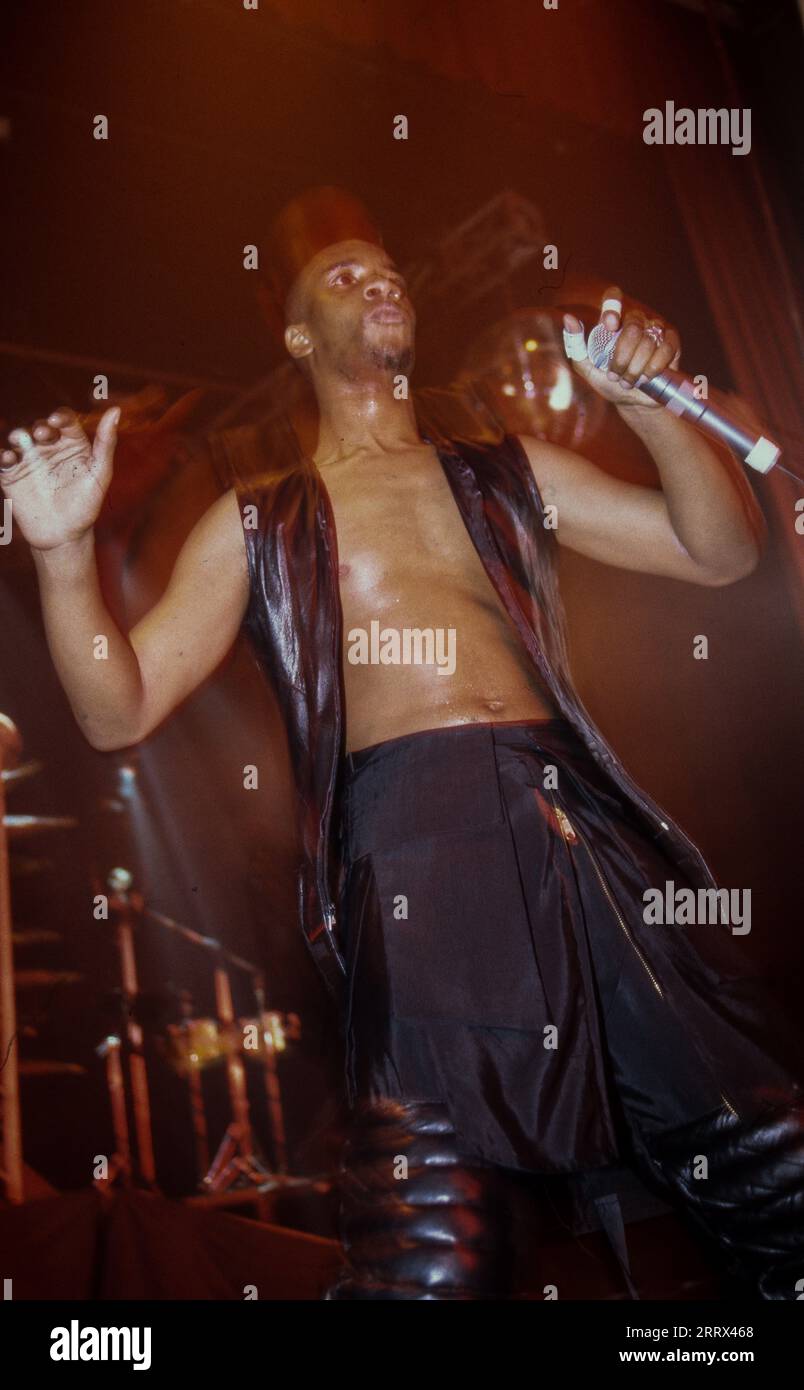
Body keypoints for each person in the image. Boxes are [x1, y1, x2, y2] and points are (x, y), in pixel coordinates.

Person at [2, 186, 802, 1301]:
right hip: (417, 844)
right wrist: (62, 554)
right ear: (294, 336)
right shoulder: (258, 517)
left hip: (577, 831)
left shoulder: (508, 471)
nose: (379, 280)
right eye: (342, 275)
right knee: (435, 1248)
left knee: (771, 1162)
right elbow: (115, 709)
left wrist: (654, 409)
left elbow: (716, 552)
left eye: (389, 270)